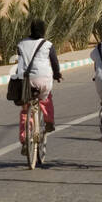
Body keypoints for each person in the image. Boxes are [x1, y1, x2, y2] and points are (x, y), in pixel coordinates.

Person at [15, 19, 63, 164]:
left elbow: (20, 60)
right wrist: (57, 74)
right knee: (45, 99)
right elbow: (54, 62)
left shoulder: (21, 44)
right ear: (43, 30)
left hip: (25, 81)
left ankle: (25, 138)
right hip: (43, 80)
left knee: (25, 110)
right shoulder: (48, 45)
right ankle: (48, 121)